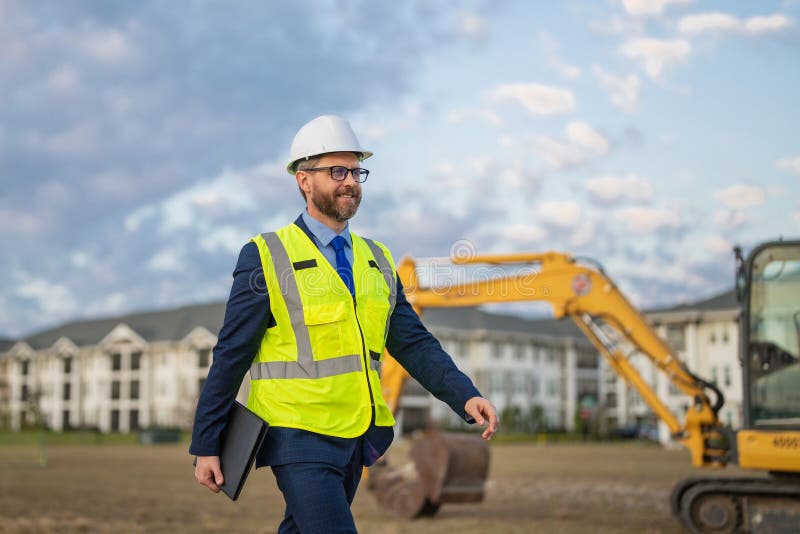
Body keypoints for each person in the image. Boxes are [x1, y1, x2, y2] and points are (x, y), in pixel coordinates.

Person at [190, 115, 498, 533]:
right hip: (296, 435)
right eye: (337, 171)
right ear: (304, 180)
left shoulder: (377, 259)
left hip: (356, 435)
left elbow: (412, 342)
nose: (350, 181)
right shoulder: (266, 255)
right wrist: (207, 442)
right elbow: (232, 352)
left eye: (356, 171)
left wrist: (464, 395)